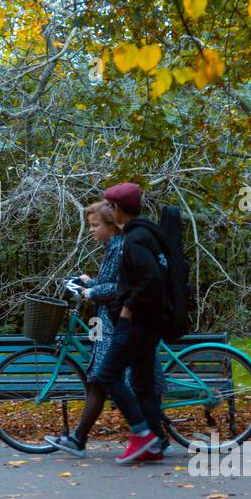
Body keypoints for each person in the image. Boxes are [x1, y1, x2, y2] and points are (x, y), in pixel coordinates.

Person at [44, 201, 165, 462]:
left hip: (118, 324)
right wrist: (92, 282)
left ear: (112, 225)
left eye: (95, 225)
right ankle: (81, 438)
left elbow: (120, 289)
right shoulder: (113, 247)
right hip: (111, 324)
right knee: (103, 379)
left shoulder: (122, 247)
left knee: (109, 377)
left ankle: (149, 436)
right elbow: (115, 284)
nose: (91, 230)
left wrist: (92, 291)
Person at [92, 182, 172, 464]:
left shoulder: (135, 239)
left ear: (116, 209)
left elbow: (151, 279)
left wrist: (128, 307)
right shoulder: (147, 233)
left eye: (108, 206)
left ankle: (142, 434)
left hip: (138, 322)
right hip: (151, 322)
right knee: (142, 384)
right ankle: (154, 445)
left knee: (107, 375)